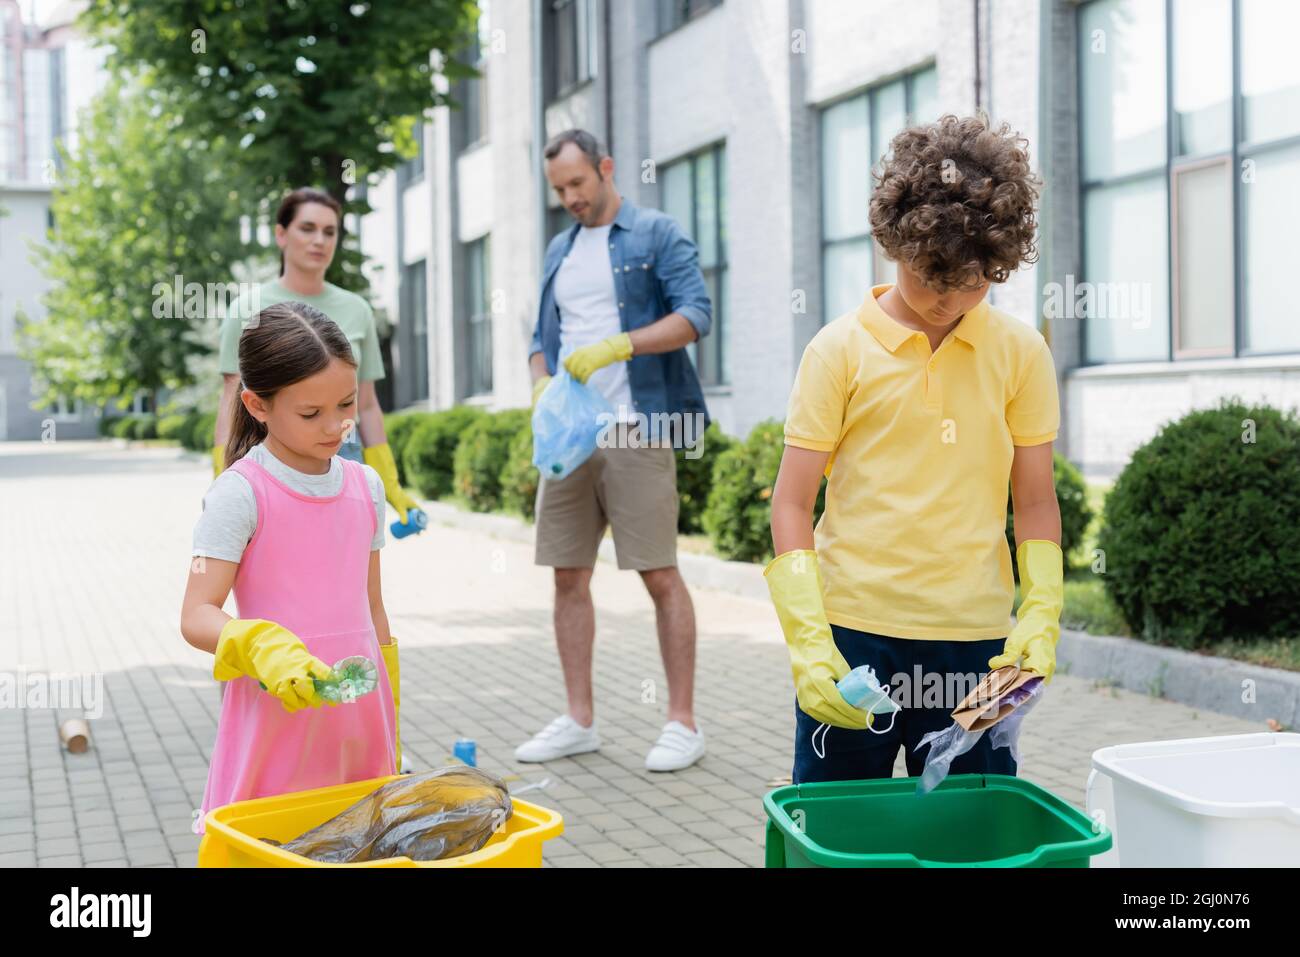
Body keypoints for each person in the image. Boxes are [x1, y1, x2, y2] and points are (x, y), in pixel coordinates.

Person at [765, 114, 1064, 784]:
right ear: (893, 243)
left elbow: (1037, 501)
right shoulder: (837, 351)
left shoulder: (1021, 355)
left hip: (982, 649)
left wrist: (1039, 615)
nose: (949, 299)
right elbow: (790, 502)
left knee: (974, 837)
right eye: (933, 276)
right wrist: (810, 643)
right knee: (843, 841)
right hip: (853, 638)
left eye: (974, 280)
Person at [515, 129, 713, 772]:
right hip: (571, 437)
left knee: (659, 572)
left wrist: (621, 345)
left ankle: (681, 722)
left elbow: (697, 313)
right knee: (567, 573)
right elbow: (542, 331)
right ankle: (579, 719)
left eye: (577, 183)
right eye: (559, 190)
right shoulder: (560, 249)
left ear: (605, 167)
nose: (569, 197)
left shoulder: (656, 233)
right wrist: (541, 378)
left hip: (639, 426)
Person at [181, 302, 402, 829]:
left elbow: (372, 606)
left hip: (358, 718)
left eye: (346, 404)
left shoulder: (364, 487)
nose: (336, 426)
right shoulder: (240, 493)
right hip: (277, 722)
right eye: (311, 413)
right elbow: (196, 613)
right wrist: (258, 645)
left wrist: (390, 703)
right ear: (257, 405)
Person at [213, 188, 421, 528]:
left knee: (346, 567)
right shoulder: (246, 309)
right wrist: (222, 476)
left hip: (344, 457)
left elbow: (366, 405)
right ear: (281, 235)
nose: (319, 241)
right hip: (270, 464)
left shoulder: (357, 310)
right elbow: (231, 402)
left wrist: (389, 482)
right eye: (307, 228)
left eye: (329, 231)